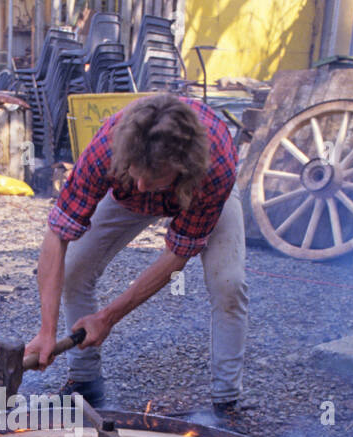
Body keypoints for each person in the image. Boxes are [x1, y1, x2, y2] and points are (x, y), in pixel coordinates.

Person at [24, 93, 248, 414]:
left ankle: (225, 401)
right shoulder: (107, 148)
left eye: (153, 176)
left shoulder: (215, 169)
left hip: (196, 194)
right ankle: (85, 385)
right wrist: (47, 331)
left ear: (181, 167)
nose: (142, 184)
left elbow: (176, 256)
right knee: (75, 268)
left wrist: (108, 317)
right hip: (123, 196)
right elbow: (58, 234)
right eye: (136, 171)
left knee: (229, 284)